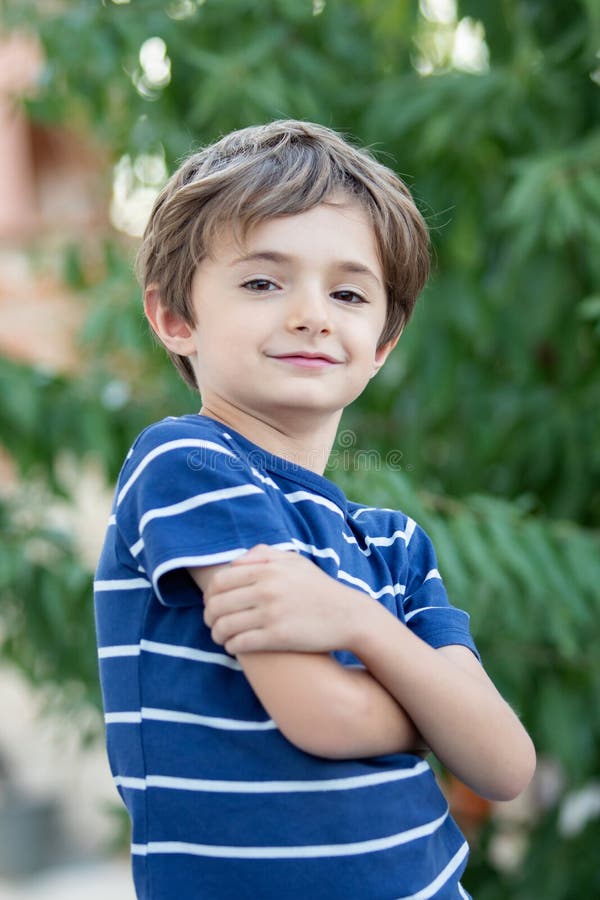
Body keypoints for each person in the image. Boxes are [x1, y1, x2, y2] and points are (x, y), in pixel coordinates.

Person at [94, 119, 536, 900]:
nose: (312, 314)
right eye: (264, 282)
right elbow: (321, 716)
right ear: (176, 319)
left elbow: (504, 763)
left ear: (382, 342)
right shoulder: (189, 465)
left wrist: (358, 623)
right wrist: (440, 711)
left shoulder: (394, 545)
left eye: (348, 292)